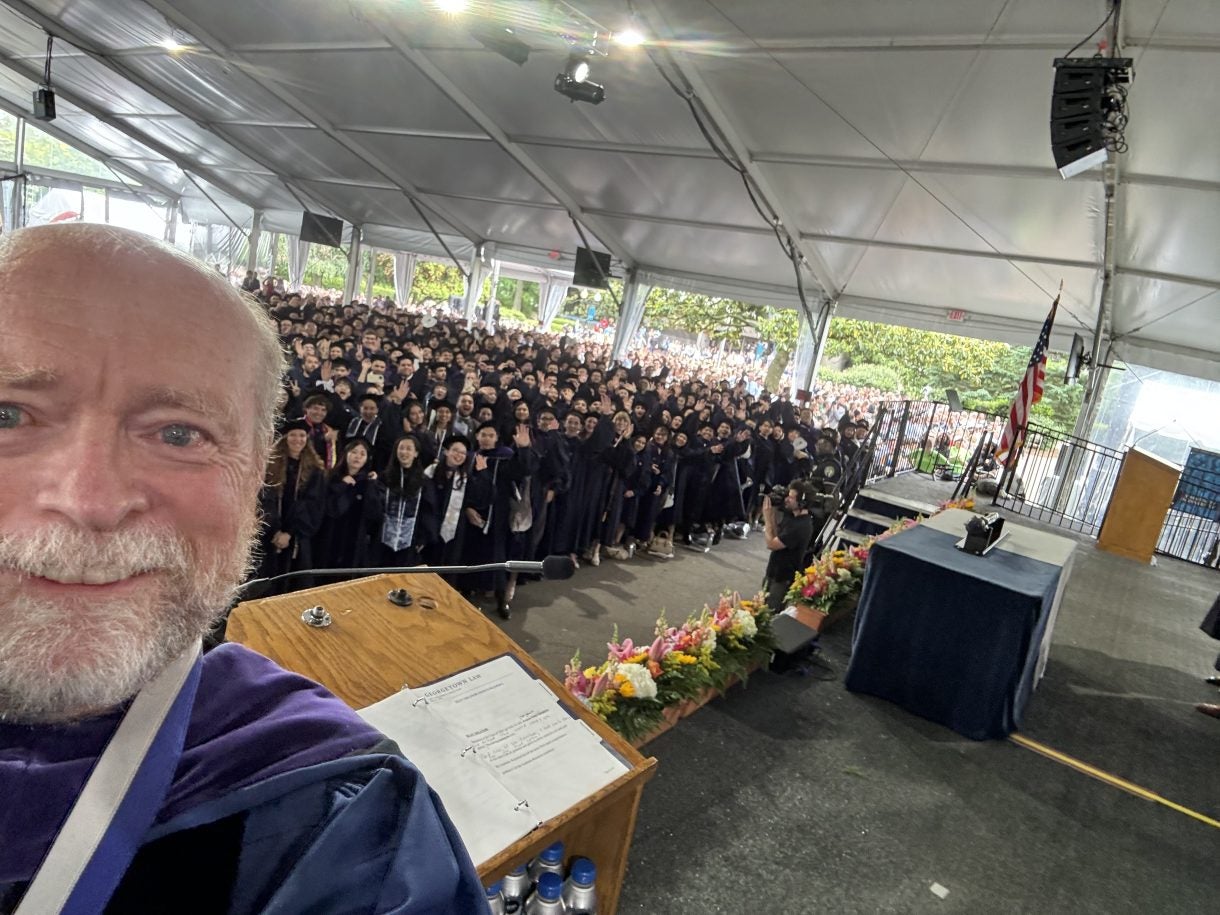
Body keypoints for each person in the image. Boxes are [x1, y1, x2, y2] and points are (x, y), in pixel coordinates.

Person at [0, 225, 483, 913]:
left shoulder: (344, 816)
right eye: (9, 414)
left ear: (256, 475)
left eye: (179, 433)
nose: (92, 501)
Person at [761, 481, 817, 612]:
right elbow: (777, 536)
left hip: (782, 578)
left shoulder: (801, 526)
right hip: (773, 572)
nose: (786, 499)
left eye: (791, 497)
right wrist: (772, 515)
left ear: (802, 502)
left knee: (769, 613)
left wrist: (767, 518)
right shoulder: (792, 517)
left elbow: (772, 544)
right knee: (761, 607)